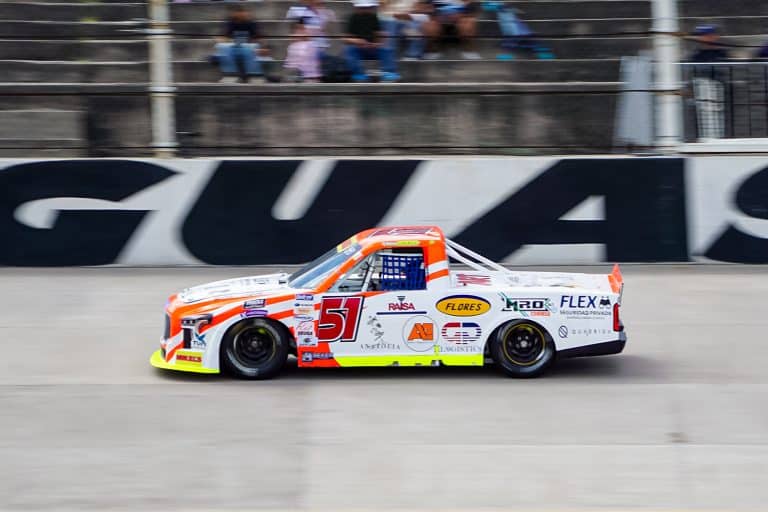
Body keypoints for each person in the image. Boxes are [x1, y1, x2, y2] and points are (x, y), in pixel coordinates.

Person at [344, 0, 400, 82]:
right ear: (357, 8)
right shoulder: (353, 18)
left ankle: (389, 72)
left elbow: (378, 34)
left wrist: (377, 43)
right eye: (363, 8)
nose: (366, 10)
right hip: (358, 49)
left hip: (372, 48)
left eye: (368, 8)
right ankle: (358, 73)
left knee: (386, 49)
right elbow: (346, 39)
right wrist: (357, 41)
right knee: (349, 50)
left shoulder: (373, 17)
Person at [214, 6, 265, 83]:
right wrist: (228, 41)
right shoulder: (230, 22)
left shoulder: (251, 23)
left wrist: (251, 42)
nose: (241, 15)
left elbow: (258, 37)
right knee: (222, 52)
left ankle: (246, 75)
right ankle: (233, 74)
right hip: (233, 46)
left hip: (248, 46)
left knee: (244, 51)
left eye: (242, 13)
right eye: (238, 13)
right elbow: (222, 37)